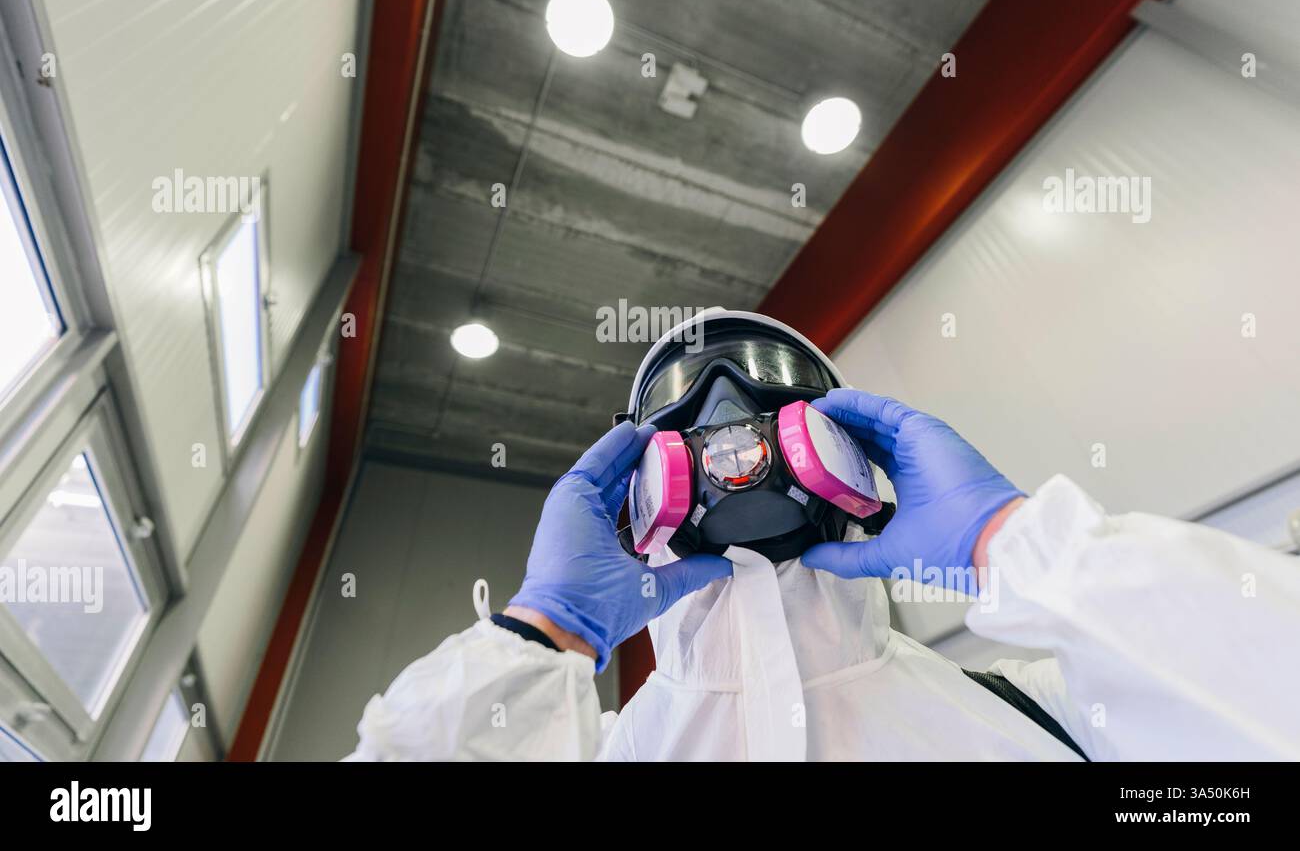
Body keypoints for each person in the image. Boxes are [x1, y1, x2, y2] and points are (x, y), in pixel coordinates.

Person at [347, 312, 1300, 761]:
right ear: (641, 489)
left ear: (850, 448)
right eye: (679, 412)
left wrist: (1015, 544)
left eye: (772, 385)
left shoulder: (1059, 718)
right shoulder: (586, 756)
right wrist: (541, 635)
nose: (728, 419)